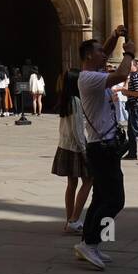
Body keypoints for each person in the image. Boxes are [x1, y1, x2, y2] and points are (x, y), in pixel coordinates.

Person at [73, 25, 137, 271]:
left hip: (102, 146)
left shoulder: (91, 73)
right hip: (102, 148)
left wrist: (114, 36)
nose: (104, 55)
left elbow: (104, 57)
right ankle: (89, 243)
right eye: (100, 52)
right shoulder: (89, 78)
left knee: (100, 197)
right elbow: (121, 76)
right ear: (89, 55)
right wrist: (128, 53)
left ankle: (89, 243)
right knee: (115, 200)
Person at [53, 69, 91, 232]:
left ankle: (69, 220)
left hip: (64, 145)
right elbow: (77, 130)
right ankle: (74, 219)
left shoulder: (65, 99)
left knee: (72, 184)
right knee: (89, 180)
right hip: (75, 147)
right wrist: (85, 151)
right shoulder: (75, 101)